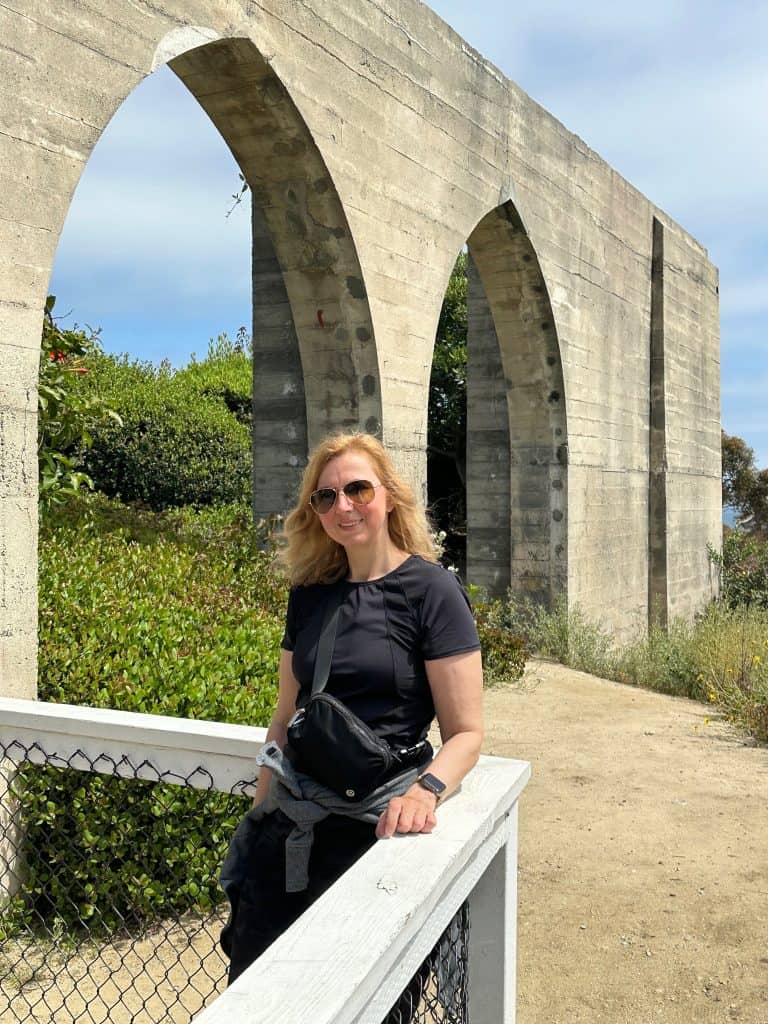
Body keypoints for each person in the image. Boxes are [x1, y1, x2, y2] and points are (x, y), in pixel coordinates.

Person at [221, 431, 484, 991]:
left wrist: (425, 791)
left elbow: (466, 733)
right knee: (259, 991)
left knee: (365, 999)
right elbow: (284, 717)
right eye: (326, 497)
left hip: (376, 835)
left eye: (358, 489)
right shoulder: (310, 592)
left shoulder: (432, 591)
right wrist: (259, 814)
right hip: (291, 831)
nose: (343, 506)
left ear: (388, 495)